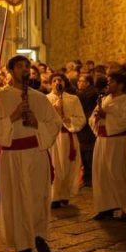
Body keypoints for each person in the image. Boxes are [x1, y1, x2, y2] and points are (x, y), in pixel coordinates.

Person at [0, 55, 61, 252]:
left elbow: (54, 123)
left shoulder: (39, 98)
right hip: (13, 155)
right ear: (10, 71)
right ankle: (23, 243)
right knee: (17, 198)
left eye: (27, 66)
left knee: (39, 195)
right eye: (20, 66)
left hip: (36, 152)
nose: (25, 70)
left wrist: (37, 123)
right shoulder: (1, 98)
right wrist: (14, 116)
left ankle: (38, 235)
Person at [89, 71, 126, 221]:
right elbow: (92, 119)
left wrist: (107, 116)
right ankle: (105, 207)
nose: (108, 84)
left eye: (111, 82)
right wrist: (96, 118)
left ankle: (125, 208)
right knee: (102, 174)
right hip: (102, 141)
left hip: (118, 141)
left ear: (121, 85)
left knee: (119, 174)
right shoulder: (104, 99)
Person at [47, 73, 86, 209]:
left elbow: (81, 118)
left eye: (60, 80)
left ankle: (64, 195)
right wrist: (53, 111)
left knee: (68, 166)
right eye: (54, 80)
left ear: (64, 83)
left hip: (68, 136)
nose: (57, 82)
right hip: (54, 137)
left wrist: (69, 120)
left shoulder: (73, 99)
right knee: (55, 166)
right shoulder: (46, 99)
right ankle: (54, 196)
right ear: (50, 84)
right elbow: (43, 119)